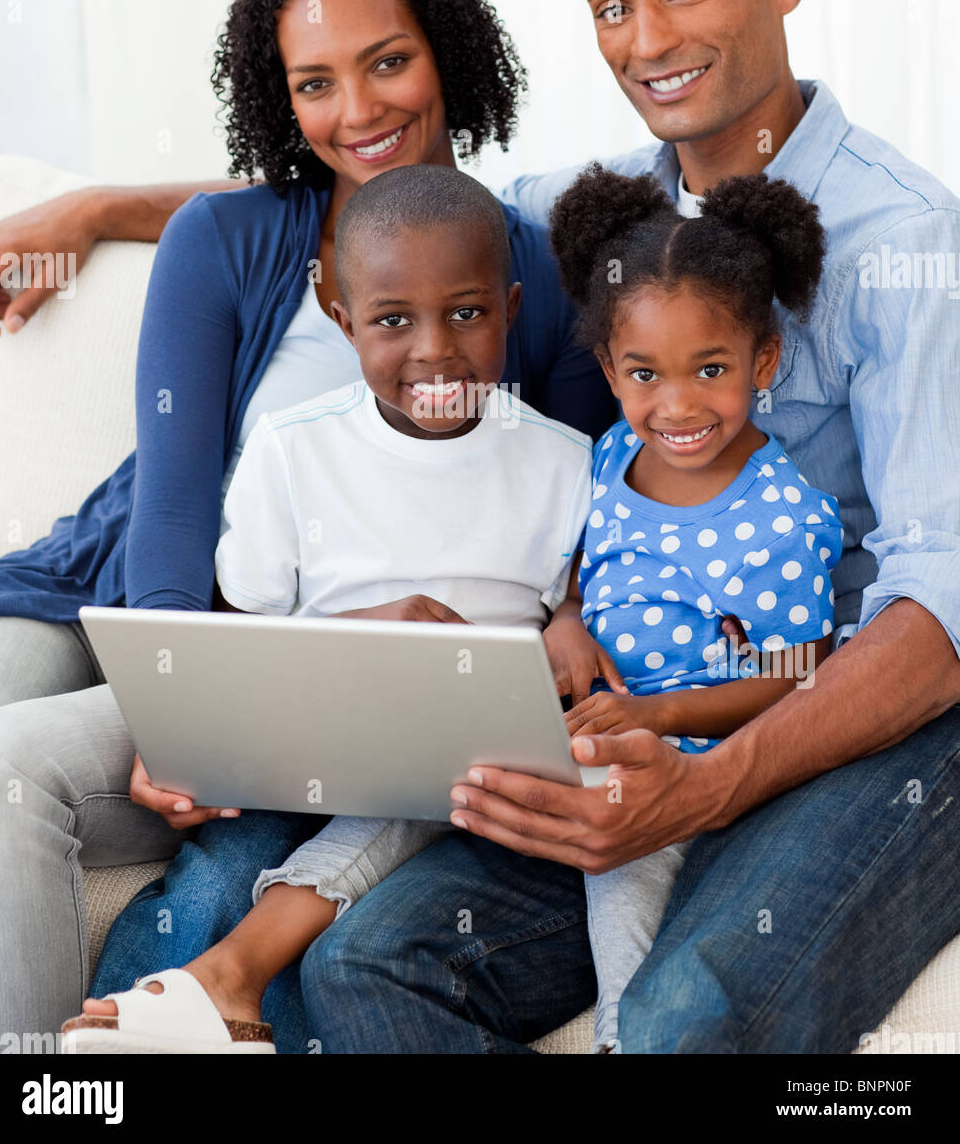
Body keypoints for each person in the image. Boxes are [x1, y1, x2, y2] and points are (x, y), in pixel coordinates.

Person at [0, 0, 616, 1045]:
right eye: (313, 82)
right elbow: (170, 504)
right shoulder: (226, 237)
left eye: (386, 61)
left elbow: (558, 508)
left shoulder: (523, 270)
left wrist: (555, 619)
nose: (355, 108)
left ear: (447, 57)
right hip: (134, 582)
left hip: (324, 672)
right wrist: (177, 701)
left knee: (3, 769)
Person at [63, 163, 595, 1052]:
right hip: (302, 764)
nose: (432, 349)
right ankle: (110, 1062)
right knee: (209, 889)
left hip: (462, 782)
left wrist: (573, 612)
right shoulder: (291, 449)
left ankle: (227, 991)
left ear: (509, 308)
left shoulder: (563, 463)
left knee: (424, 781)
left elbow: (588, 596)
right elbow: (243, 631)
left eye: (466, 313)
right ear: (343, 321)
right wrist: (357, 638)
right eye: (393, 321)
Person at [541, 164, 842, 1051]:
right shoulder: (606, 456)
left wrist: (655, 712)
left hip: (696, 766)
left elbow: (801, 673)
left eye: (710, 370)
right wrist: (563, 618)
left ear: (764, 360)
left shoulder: (779, 518)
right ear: (607, 369)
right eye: (643, 375)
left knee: (621, 873)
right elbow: (580, 563)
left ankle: (618, 1036)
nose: (675, 406)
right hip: (596, 732)